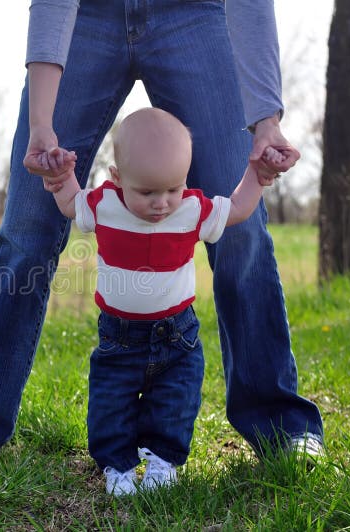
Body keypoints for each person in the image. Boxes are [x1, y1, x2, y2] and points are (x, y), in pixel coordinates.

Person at [0, 0, 324, 466]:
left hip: (194, 14)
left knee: (242, 236)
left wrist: (266, 122)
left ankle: (281, 425)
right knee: (27, 228)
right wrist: (42, 124)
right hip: (86, 16)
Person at [46, 107, 280, 496]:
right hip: (119, 336)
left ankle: (162, 460)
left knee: (176, 397)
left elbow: (238, 209)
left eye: (172, 188)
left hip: (178, 334)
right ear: (118, 179)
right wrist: (61, 177)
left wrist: (257, 176)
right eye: (148, 192)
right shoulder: (105, 204)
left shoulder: (190, 207)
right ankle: (117, 466)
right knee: (111, 400)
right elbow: (72, 204)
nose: (162, 203)